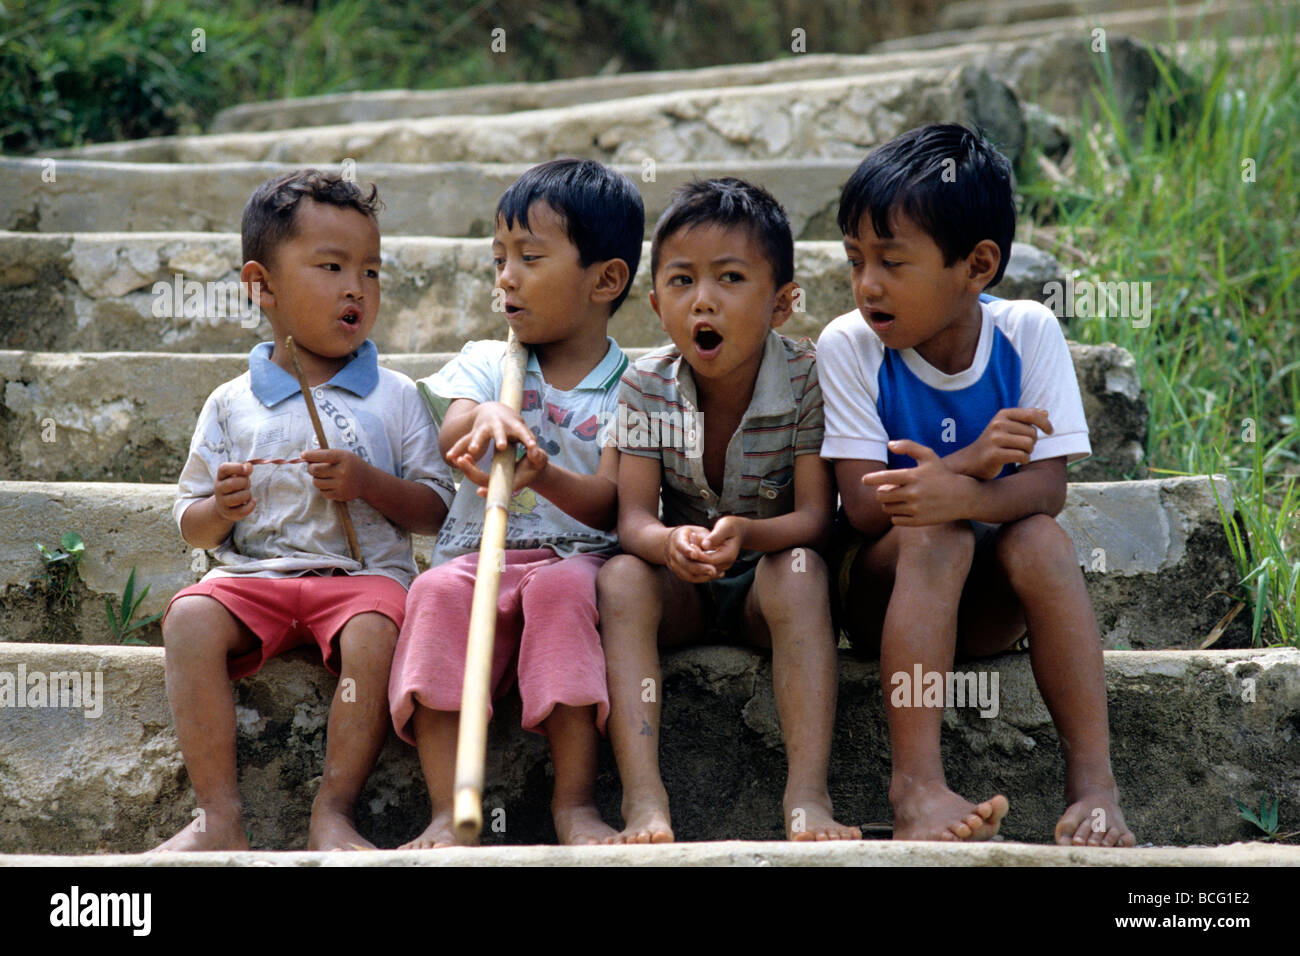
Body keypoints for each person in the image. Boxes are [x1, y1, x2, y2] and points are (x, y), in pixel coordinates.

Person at [817, 123, 1136, 845]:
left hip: (989, 613)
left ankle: (1093, 788)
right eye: (855, 259)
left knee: (1044, 541)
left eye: (892, 262)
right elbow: (866, 509)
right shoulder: (849, 345)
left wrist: (966, 495)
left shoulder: (1027, 332)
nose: (868, 284)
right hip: (879, 595)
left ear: (978, 265)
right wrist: (965, 471)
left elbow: (1047, 489)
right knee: (937, 532)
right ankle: (915, 786)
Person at [155, 169, 453, 852]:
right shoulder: (232, 401)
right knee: (191, 618)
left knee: (378, 631)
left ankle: (334, 810)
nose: (357, 287)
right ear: (260, 285)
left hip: (359, 581)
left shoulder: (397, 395)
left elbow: (436, 511)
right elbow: (189, 518)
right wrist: (220, 510)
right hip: (252, 578)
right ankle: (218, 817)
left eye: (371, 272)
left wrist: (368, 483)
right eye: (332, 266)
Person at [388, 158, 644, 847]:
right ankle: (447, 809)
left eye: (530, 257)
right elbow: (451, 429)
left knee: (561, 597)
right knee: (435, 593)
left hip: (576, 561)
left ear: (606, 280)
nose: (506, 276)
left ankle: (574, 804)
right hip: (477, 557)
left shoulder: (636, 388)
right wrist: (484, 422)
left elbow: (611, 505)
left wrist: (543, 472)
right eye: (499, 258)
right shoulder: (486, 359)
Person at [599, 178, 860, 844]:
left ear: (781, 304)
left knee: (802, 567)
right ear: (656, 304)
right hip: (683, 586)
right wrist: (668, 544)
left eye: (730, 278)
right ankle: (644, 799)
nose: (703, 300)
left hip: (766, 590)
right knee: (620, 579)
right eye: (682, 282)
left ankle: (808, 795)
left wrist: (747, 532)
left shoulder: (806, 376)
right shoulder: (645, 384)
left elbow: (814, 518)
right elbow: (631, 521)